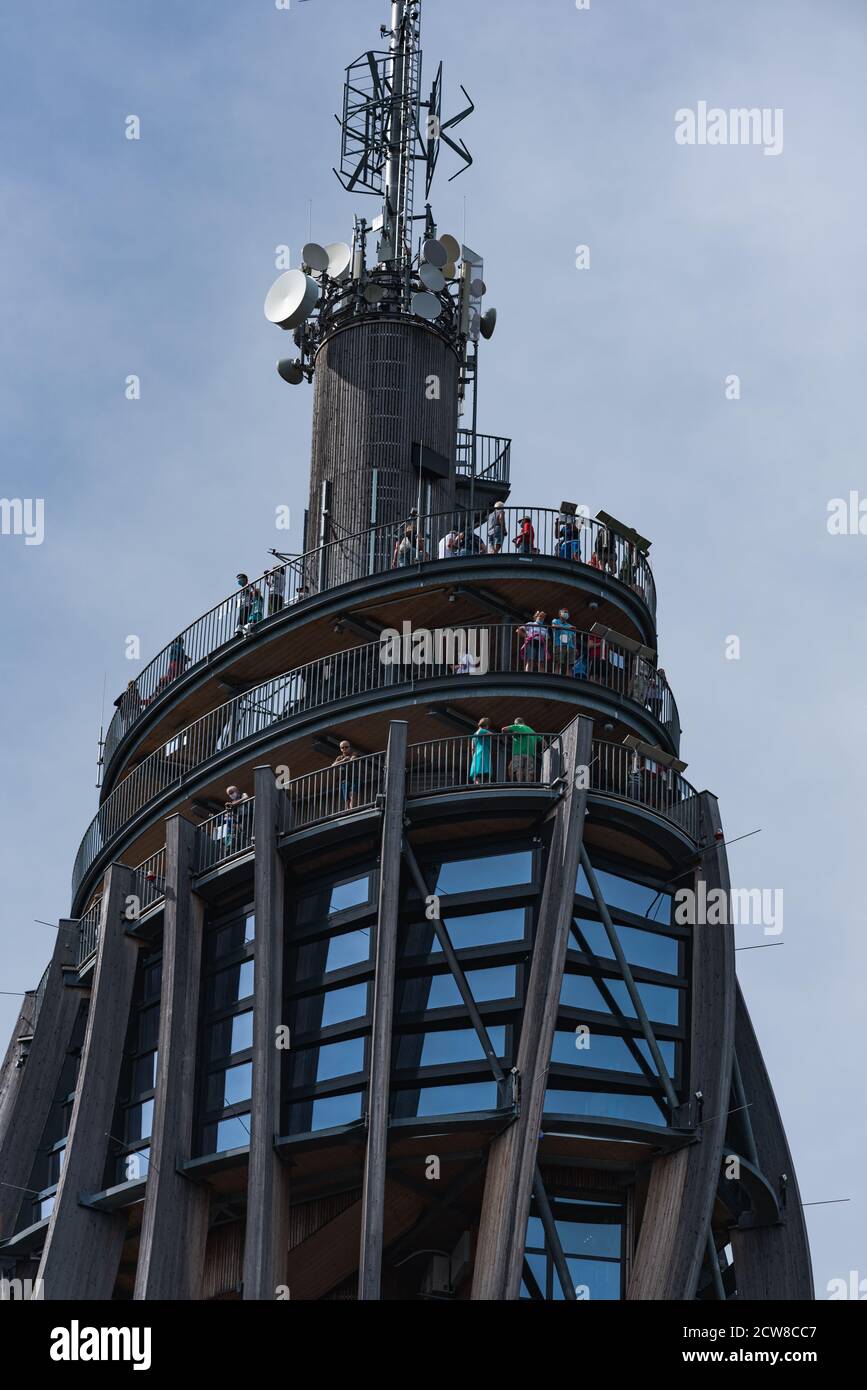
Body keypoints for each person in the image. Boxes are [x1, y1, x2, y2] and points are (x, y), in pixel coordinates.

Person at [501, 717, 540, 783]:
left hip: (518, 753)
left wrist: (505, 737)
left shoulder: (517, 726)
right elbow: (541, 739)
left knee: (518, 768)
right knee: (529, 770)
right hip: (529, 753)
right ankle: (527, 784)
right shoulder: (530, 729)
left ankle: (519, 783)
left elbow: (504, 729)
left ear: (516, 723)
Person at [332, 739, 358, 809]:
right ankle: (348, 811)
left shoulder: (353, 753)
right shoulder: (339, 758)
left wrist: (349, 759)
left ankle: (352, 809)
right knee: (346, 798)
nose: (344, 749)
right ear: (340, 749)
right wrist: (343, 760)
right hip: (344, 780)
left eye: (346, 747)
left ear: (349, 747)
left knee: (352, 794)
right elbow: (333, 765)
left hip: (353, 778)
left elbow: (353, 758)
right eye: (342, 748)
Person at [222, 784, 249, 851]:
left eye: (231, 793)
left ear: (236, 791)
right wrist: (229, 815)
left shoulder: (242, 794)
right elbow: (234, 815)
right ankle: (229, 844)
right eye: (229, 794)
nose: (231, 795)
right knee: (240, 831)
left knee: (247, 830)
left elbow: (246, 797)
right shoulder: (233, 802)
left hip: (247, 816)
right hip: (239, 819)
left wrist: (233, 804)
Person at [551, 608, 577, 674]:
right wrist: (568, 628)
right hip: (559, 645)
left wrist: (575, 648)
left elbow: (573, 637)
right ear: (560, 614)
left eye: (567, 613)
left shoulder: (570, 625)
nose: (566, 614)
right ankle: (556, 678)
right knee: (558, 663)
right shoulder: (555, 621)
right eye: (565, 612)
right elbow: (554, 626)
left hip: (571, 647)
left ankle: (569, 680)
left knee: (570, 665)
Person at [469, 717, 493, 784]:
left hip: (476, 755)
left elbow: (472, 748)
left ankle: (477, 788)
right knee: (486, 773)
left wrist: (473, 757)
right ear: (487, 725)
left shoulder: (474, 734)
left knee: (477, 775)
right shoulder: (482, 731)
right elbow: (492, 734)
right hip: (484, 753)